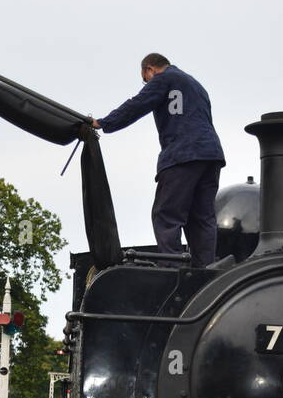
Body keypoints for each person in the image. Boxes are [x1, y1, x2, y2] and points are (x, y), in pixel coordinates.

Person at [93, 54, 225, 266]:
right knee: (201, 219)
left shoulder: (163, 79)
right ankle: (205, 272)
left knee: (166, 215)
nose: (147, 82)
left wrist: (103, 123)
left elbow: (137, 104)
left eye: (145, 78)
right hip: (211, 156)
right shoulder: (197, 86)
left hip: (181, 155)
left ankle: (172, 268)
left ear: (149, 70)